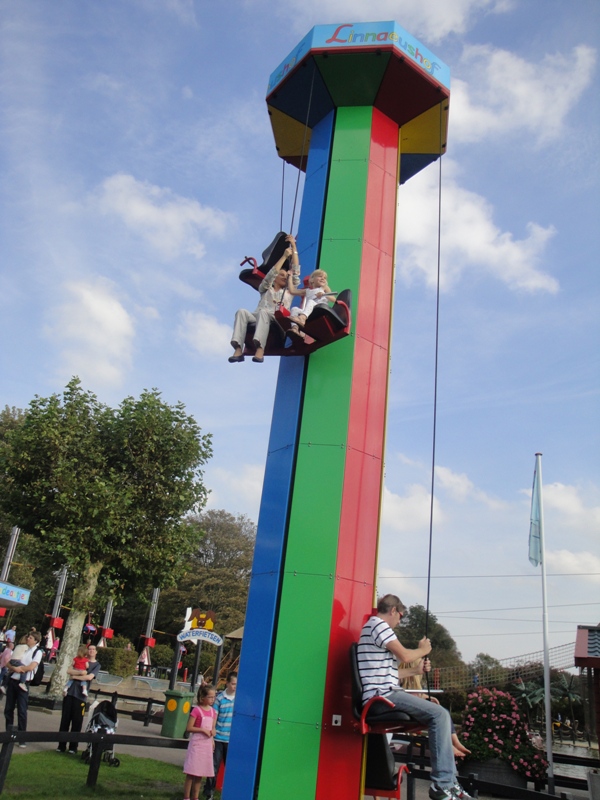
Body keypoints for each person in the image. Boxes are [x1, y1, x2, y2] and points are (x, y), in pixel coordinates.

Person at [357, 594, 472, 800]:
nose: (399, 621)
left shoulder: (372, 629)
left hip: (383, 693)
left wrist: (416, 671)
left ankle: (450, 784)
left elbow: (393, 673)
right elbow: (405, 656)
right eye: (400, 616)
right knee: (438, 715)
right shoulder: (378, 625)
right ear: (393, 610)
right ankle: (443, 785)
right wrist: (423, 650)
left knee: (440, 713)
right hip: (381, 697)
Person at [229, 234, 300, 363]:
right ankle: (238, 348)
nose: (285, 277)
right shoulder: (265, 289)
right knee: (241, 312)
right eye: (282, 275)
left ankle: (260, 348)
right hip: (259, 316)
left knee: (264, 313)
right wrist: (284, 256)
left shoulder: (289, 291)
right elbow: (271, 274)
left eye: (286, 275)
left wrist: (293, 247)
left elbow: (295, 271)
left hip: (276, 321)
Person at [399, 659, 471, 759]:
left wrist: (428, 697)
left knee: (443, 711)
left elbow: (416, 695)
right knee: (438, 715)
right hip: (409, 711)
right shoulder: (401, 683)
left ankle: (455, 742)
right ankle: (450, 745)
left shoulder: (413, 685)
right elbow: (408, 697)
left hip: (413, 709)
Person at [57, 644, 100, 754]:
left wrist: (76, 676)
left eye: (93, 649)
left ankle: (73, 746)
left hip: (80, 696)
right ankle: (61, 745)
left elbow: (89, 676)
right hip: (70, 693)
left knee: (77, 721)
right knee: (65, 719)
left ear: (96, 652)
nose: (91, 651)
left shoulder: (96, 665)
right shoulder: (78, 659)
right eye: (89, 649)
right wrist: (79, 673)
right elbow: (69, 670)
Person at [3, 631, 43, 744]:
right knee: (8, 709)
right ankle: (9, 734)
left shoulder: (37, 652)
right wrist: (14, 668)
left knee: (22, 710)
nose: (28, 639)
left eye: (30, 638)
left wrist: (20, 669)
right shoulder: (22, 648)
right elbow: (9, 663)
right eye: (28, 637)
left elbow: (32, 666)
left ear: (36, 640)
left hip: (24, 682)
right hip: (13, 680)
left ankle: (21, 737)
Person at [202, 672, 237, 799]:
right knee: (214, 766)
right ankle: (209, 791)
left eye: (236, 684)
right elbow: (214, 717)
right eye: (233, 684)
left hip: (231, 739)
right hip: (219, 737)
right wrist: (212, 733)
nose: (235, 686)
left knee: (231, 767)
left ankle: (229, 792)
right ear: (227, 683)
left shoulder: (239, 699)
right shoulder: (220, 699)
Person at [182, 683, 217, 800]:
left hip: (206, 745)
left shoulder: (213, 712)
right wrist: (202, 730)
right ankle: (187, 797)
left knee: (200, 774)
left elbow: (212, 727)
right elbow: (189, 727)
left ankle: (195, 797)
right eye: (210, 697)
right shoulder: (197, 711)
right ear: (203, 698)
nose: (213, 699)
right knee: (191, 772)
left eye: (214, 697)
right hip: (197, 744)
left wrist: (213, 733)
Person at [285, 268, 336, 341]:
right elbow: (292, 291)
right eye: (320, 276)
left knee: (311, 302)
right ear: (312, 280)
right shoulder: (307, 291)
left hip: (320, 309)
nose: (323, 279)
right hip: (310, 312)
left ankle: (302, 319)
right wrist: (290, 277)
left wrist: (324, 294)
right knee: (294, 309)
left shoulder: (324, 288)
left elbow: (334, 299)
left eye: (324, 278)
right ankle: (295, 329)